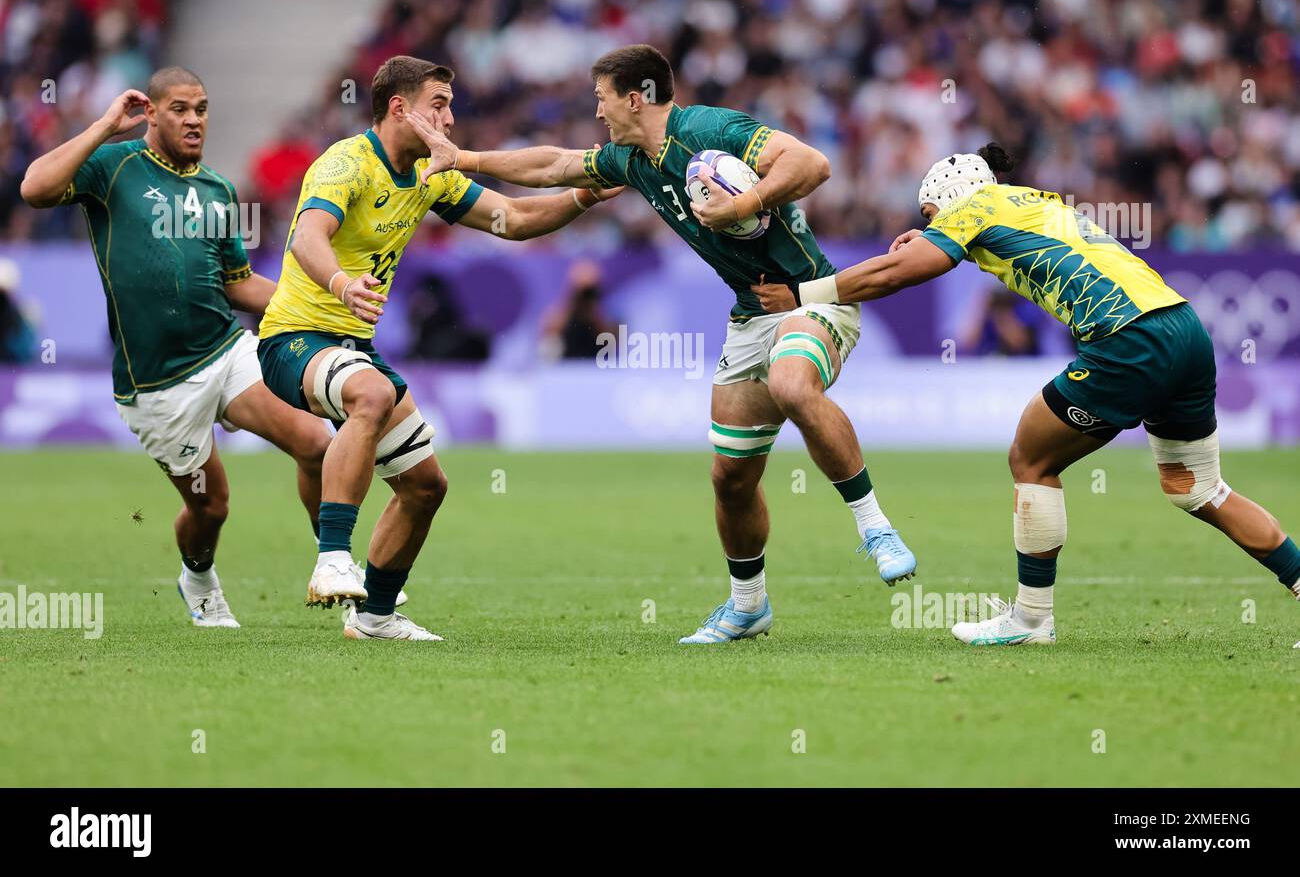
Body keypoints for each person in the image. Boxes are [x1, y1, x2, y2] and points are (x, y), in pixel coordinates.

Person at [417, 44, 917, 645]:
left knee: (791, 383)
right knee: (730, 477)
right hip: (750, 315)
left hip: (810, 300)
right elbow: (554, 164)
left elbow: (812, 163)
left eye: (602, 98)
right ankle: (747, 605)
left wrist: (748, 200)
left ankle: (874, 525)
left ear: (637, 97)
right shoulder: (630, 160)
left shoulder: (708, 128)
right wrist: (463, 157)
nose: (597, 112)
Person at [753, 143, 1300, 646]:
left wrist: (803, 294)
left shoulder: (974, 207)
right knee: (1198, 488)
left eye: (928, 217)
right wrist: (941, 238)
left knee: (1030, 457)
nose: (927, 228)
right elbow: (974, 243)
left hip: (1128, 340)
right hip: (1183, 329)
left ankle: (1032, 619)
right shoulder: (1031, 201)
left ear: (947, 199)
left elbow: (902, 272)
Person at [256, 55, 622, 641]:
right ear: (399, 109)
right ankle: (331, 557)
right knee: (370, 394)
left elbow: (515, 219)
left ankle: (373, 617)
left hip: (350, 346)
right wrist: (343, 284)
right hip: (293, 339)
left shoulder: (432, 174)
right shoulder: (344, 164)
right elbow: (307, 236)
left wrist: (586, 195)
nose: (450, 120)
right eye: (439, 106)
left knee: (426, 486)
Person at [20, 67, 333, 629]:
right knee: (211, 506)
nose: (194, 120)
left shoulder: (219, 189)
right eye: (181, 109)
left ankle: (334, 559)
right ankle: (198, 577)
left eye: (203, 109)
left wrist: (313, 303)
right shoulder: (113, 167)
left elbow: (236, 282)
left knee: (315, 441)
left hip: (226, 349)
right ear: (152, 113)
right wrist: (103, 126)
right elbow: (34, 188)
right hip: (158, 383)